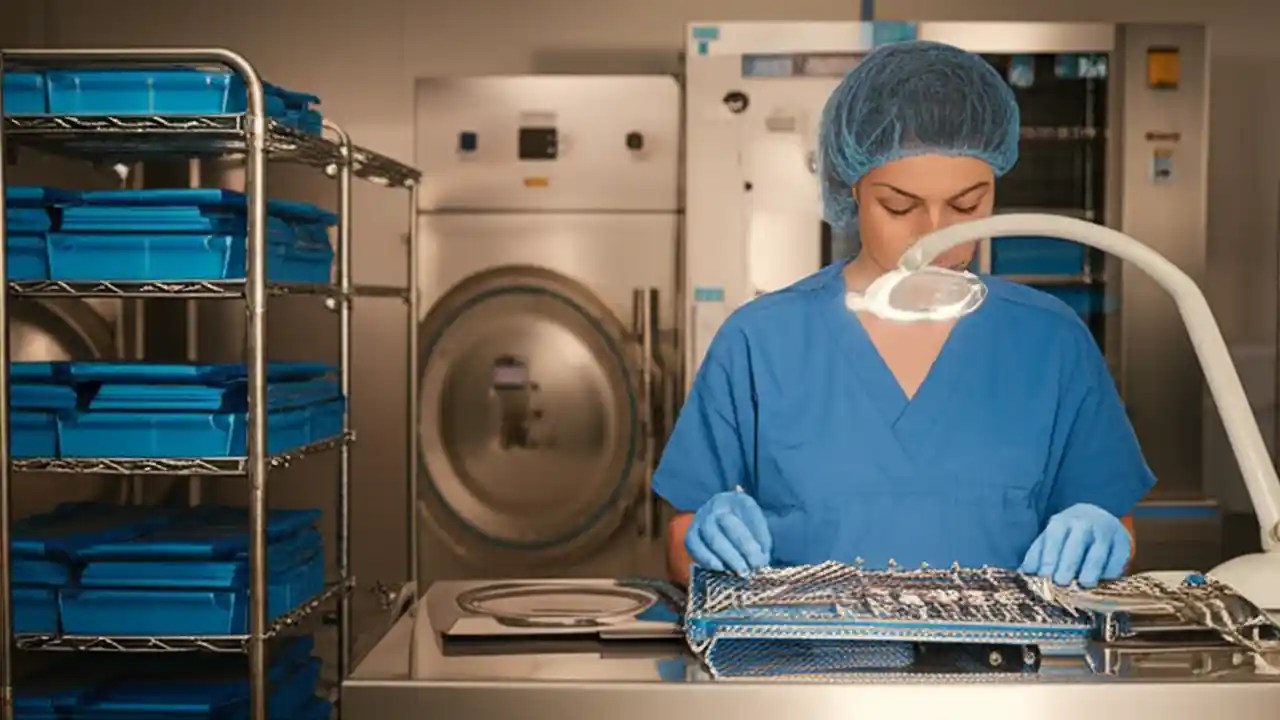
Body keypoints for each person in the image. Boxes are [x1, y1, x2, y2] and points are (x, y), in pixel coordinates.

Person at [654, 40, 1155, 590]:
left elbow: (1116, 527)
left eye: (967, 205)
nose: (935, 235)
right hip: (798, 670)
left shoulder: (1050, 341)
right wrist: (704, 540)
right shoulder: (761, 342)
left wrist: (1106, 535)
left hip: (1008, 673)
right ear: (852, 189)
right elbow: (682, 540)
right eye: (898, 206)